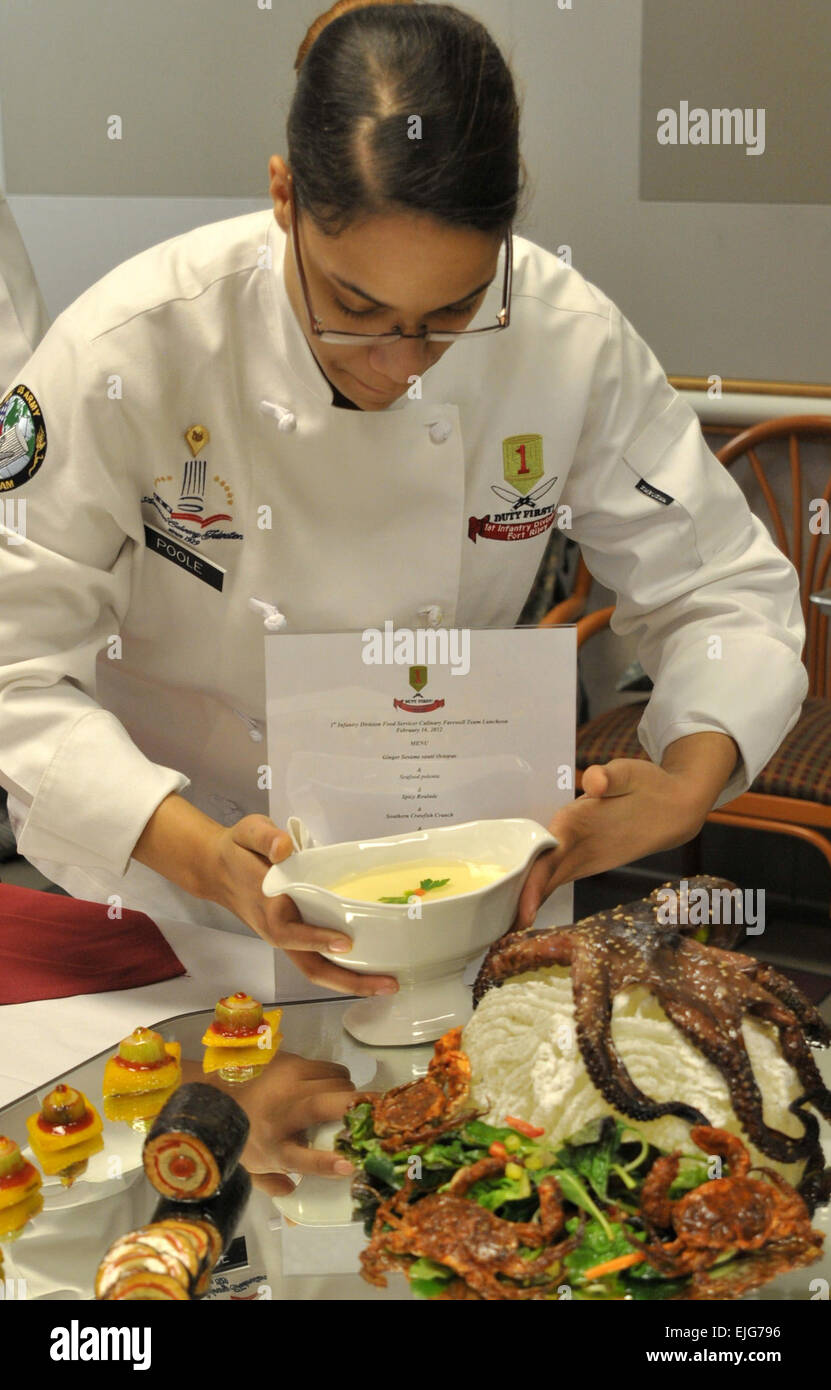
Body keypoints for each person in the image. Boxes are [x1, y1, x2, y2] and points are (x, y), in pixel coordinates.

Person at [0, 0, 807, 1004]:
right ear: (284, 197)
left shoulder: (568, 339)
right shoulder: (132, 348)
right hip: (183, 895)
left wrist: (690, 781)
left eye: (454, 313)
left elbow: (721, 590)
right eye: (355, 307)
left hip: (472, 871)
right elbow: (15, 668)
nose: (400, 362)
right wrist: (202, 855)